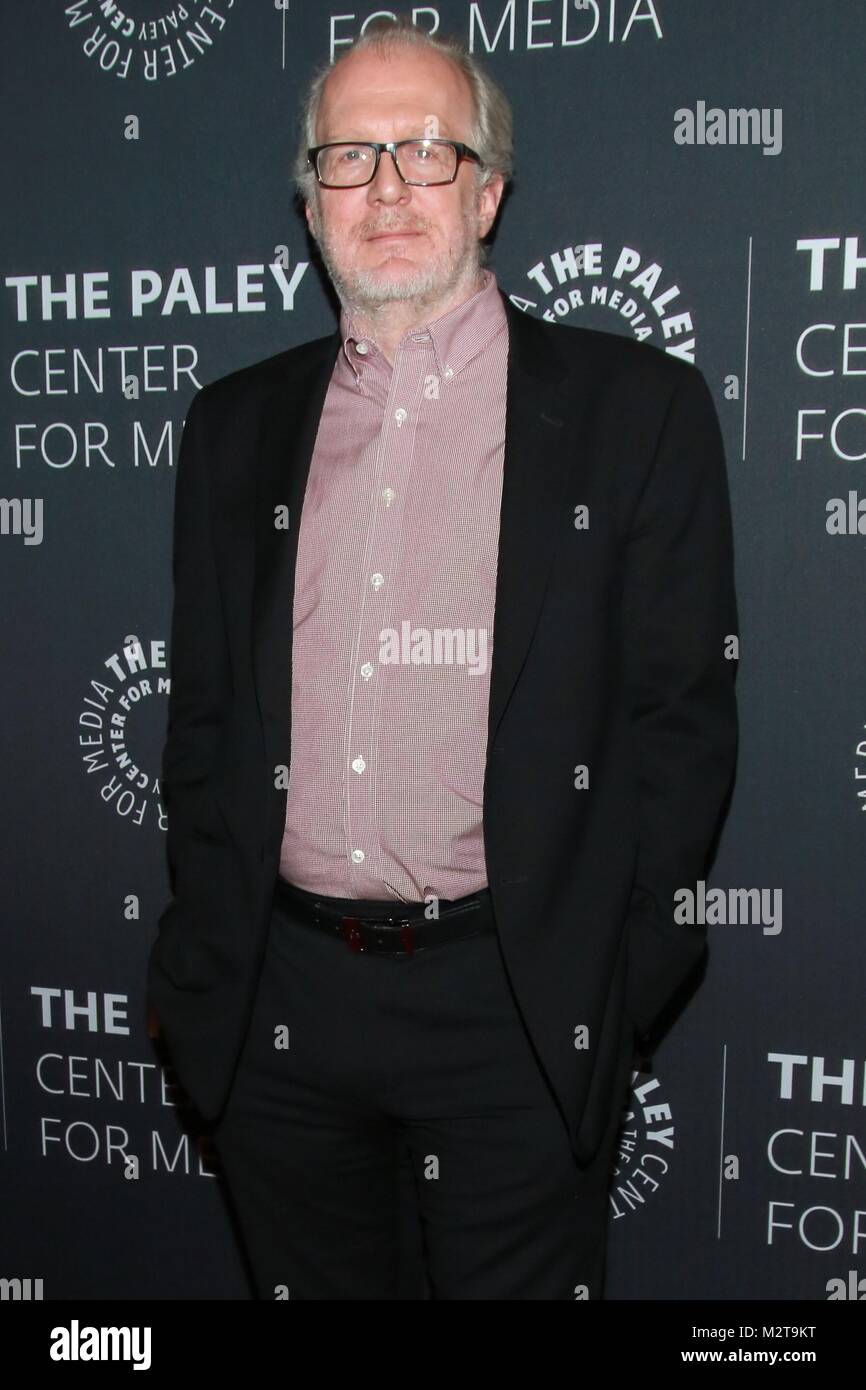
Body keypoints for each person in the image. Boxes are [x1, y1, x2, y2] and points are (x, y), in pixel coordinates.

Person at [146, 16, 738, 1300]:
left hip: (513, 1008)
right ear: (311, 202)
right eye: (348, 157)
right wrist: (206, 964)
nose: (386, 188)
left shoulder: (634, 414)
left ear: (487, 190)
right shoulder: (234, 428)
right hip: (277, 1005)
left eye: (426, 150)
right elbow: (204, 723)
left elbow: (680, 730)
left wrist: (607, 982)